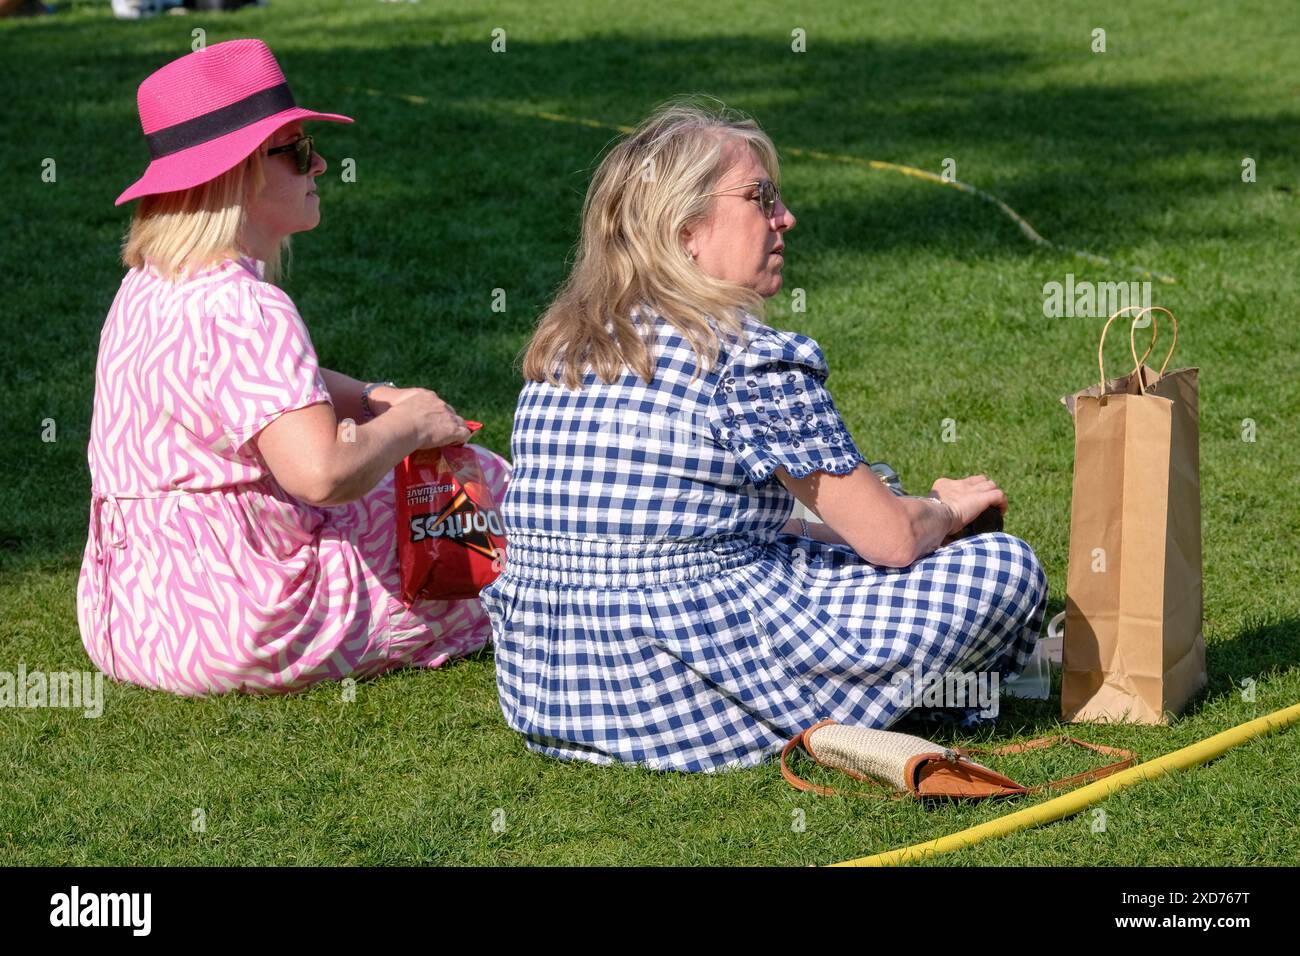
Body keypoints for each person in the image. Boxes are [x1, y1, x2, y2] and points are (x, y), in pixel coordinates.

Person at [480, 100, 1049, 773]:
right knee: (1003, 568)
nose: (786, 218)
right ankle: (892, 702)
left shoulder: (564, 348)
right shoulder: (748, 359)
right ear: (687, 229)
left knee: (845, 503)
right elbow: (891, 542)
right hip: (673, 702)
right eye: (762, 197)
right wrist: (949, 509)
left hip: (552, 695)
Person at [77, 38, 510, 694]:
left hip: (132, 622)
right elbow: (321, 476)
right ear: (244, 171)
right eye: (301, 149)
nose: (322, 164)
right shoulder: (248, 304)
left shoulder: (150, 284)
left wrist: (369, 397)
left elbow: (263, 385)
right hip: (249, 625)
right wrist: (412, 423)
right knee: (476, 505)